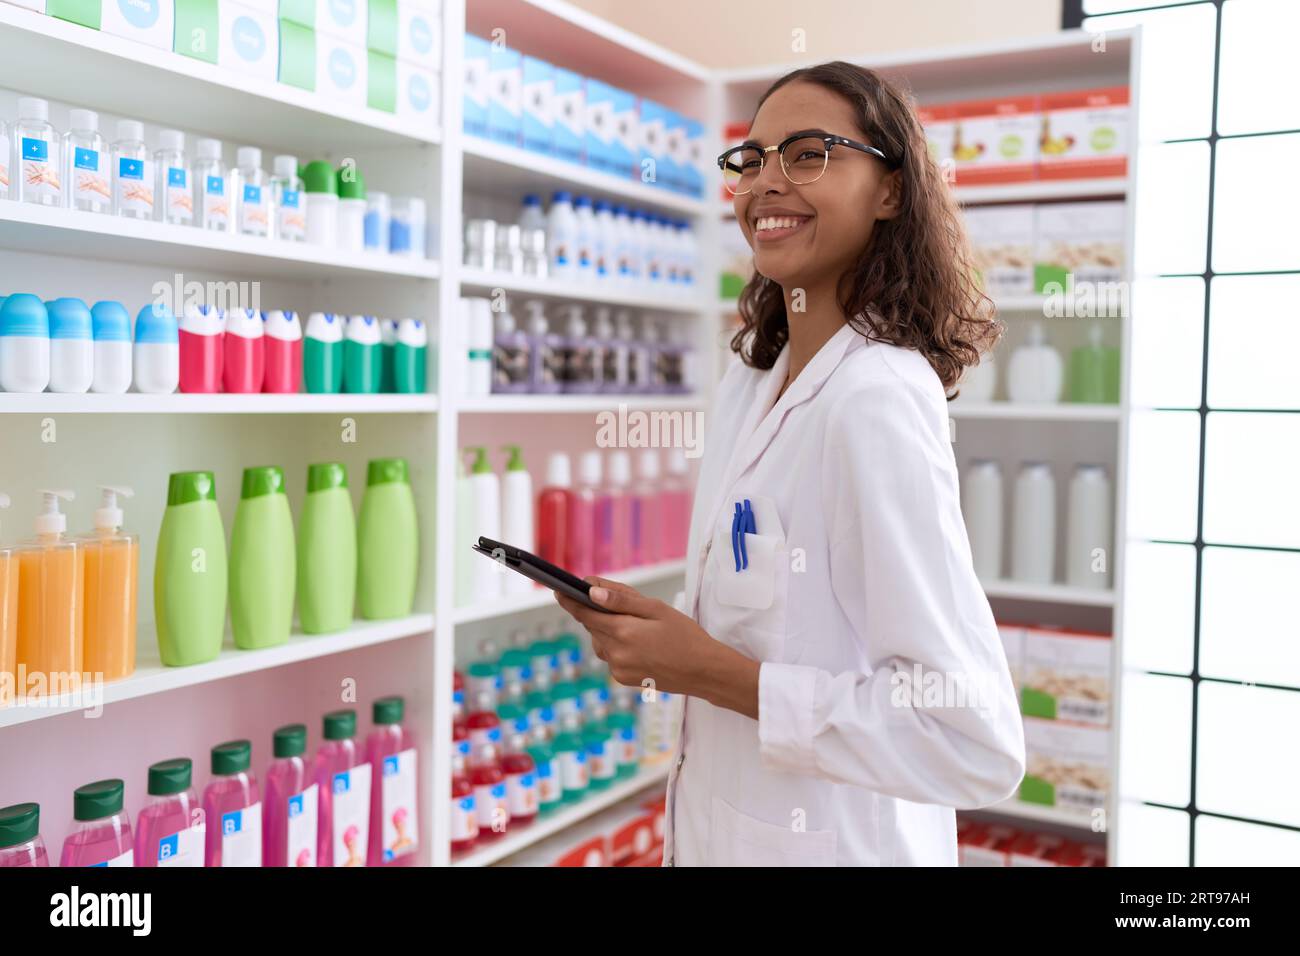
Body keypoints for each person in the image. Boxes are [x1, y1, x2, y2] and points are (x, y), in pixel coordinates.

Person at [556, 61, 1024, 866]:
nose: (766, 183)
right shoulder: (751, 382)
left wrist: (710, 672)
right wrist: (660, 640)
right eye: (752, 159)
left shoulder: (873, 397)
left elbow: (970, 737)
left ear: (891, 192)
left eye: (809, 155)